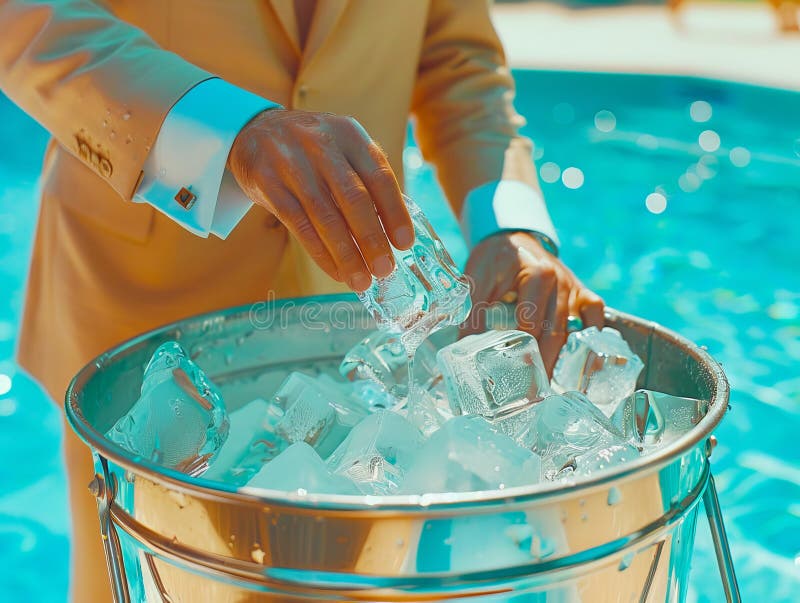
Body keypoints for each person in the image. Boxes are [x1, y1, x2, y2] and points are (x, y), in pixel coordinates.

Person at [0, 1, 604, 600]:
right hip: (142, 310)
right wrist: (228, 131)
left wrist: (508, 223)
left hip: (350, 320)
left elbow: (455, 56)